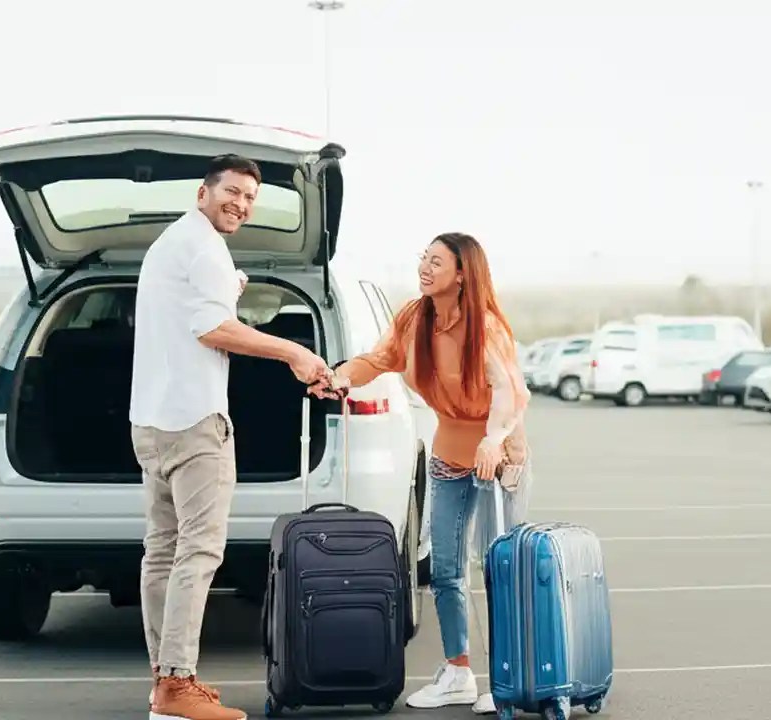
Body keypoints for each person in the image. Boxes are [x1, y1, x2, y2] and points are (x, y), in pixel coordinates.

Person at [130, 154, 332, 720]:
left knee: (162, 553)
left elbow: (192, 309)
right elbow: (210, 328)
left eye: (249, 198)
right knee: (197, 551)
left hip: (150, 420)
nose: (240, 204)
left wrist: (230, 286)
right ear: (203, 191)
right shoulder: (206, 248)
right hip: (196, 424)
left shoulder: (174, 243)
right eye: (233, 192)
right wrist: (295, 352)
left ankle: (165, 681)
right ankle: (177, 685)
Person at [309, 232, 530, 714]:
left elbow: (507, 392)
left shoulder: (485, 327)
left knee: (499, 570)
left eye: (436, 262)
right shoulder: (415, 317)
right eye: (422, 260)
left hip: (498, 453)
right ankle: (457, 672)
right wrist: (339, 376)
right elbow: (379, 358)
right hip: (449, 450)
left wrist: (493, 440)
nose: (424, 269)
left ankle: (507, 678)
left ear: (461, 273)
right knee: (447, 571)